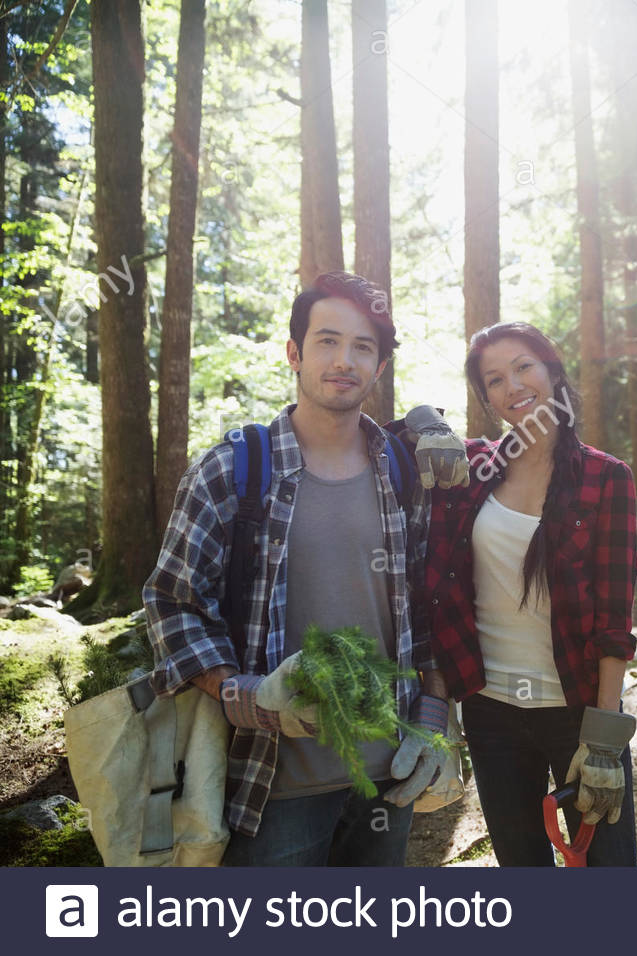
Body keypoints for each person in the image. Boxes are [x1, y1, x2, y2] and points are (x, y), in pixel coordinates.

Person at [143, 271, 467, 866]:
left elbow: (431, 607)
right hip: (270, 785)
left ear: (379, 366)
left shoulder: (404, 472)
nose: (344, 360)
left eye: (363, 346)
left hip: (388, 778)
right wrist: (243, 695)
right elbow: (173, 603)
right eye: (326, 340)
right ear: (294, 353)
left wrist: (435, 715)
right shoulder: (231, 470)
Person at [417, 321, 637, 866]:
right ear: (486, 397)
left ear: (552, 371)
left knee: (610, 870)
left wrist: (605, 741)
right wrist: (425, 419)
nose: (512, 385)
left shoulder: (606, 478)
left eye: (523, 367)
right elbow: (391, 444)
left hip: (576, 713)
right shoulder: (471, 468)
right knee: (521, 866)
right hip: (489, 713)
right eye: (494, 379)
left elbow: (615, 621)